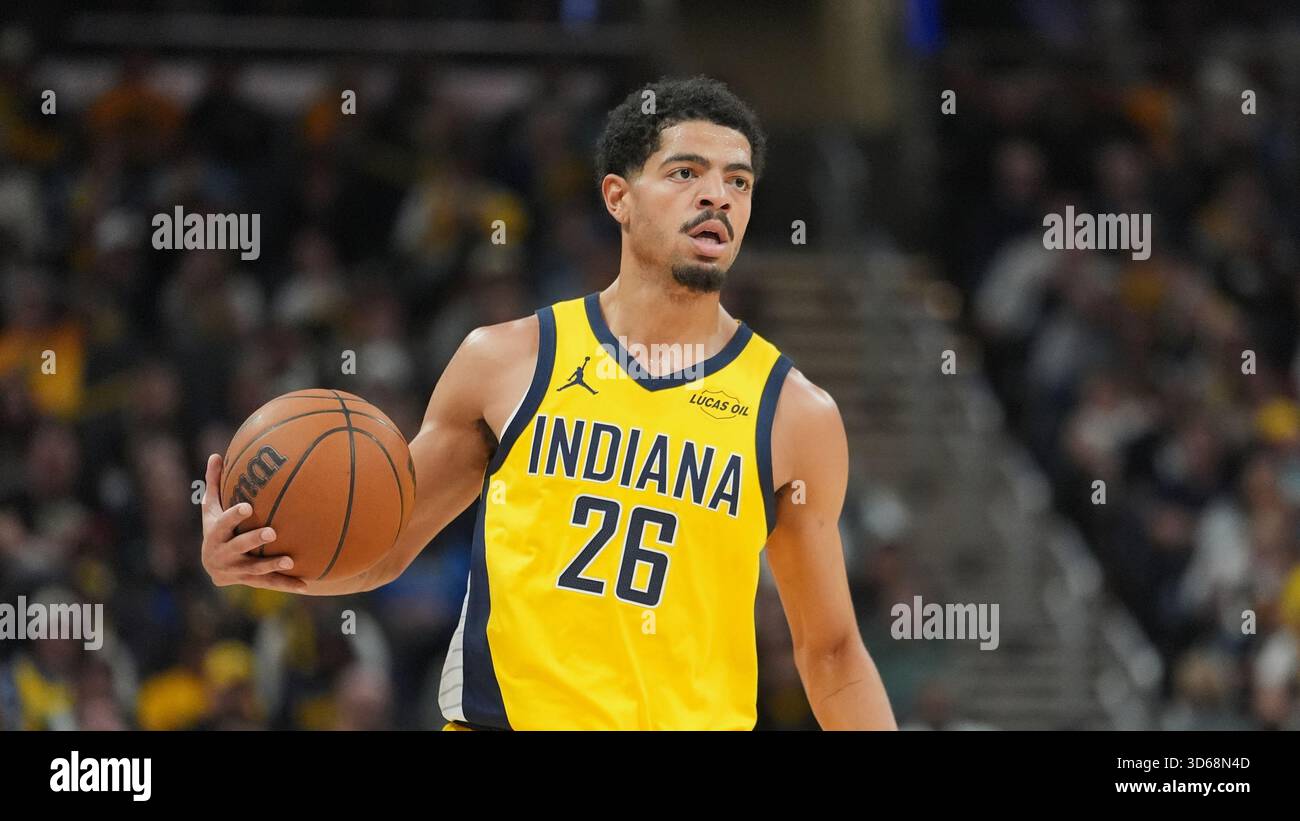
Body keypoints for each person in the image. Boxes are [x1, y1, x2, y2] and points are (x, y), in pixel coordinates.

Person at [199, 76, 896, 731]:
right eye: (686, 173)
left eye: (737, 181)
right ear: (618, 197)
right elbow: (381, 546)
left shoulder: (795, 414)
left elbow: (831, 651)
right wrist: (256, 565)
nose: (718, 196)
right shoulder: (505, 361)